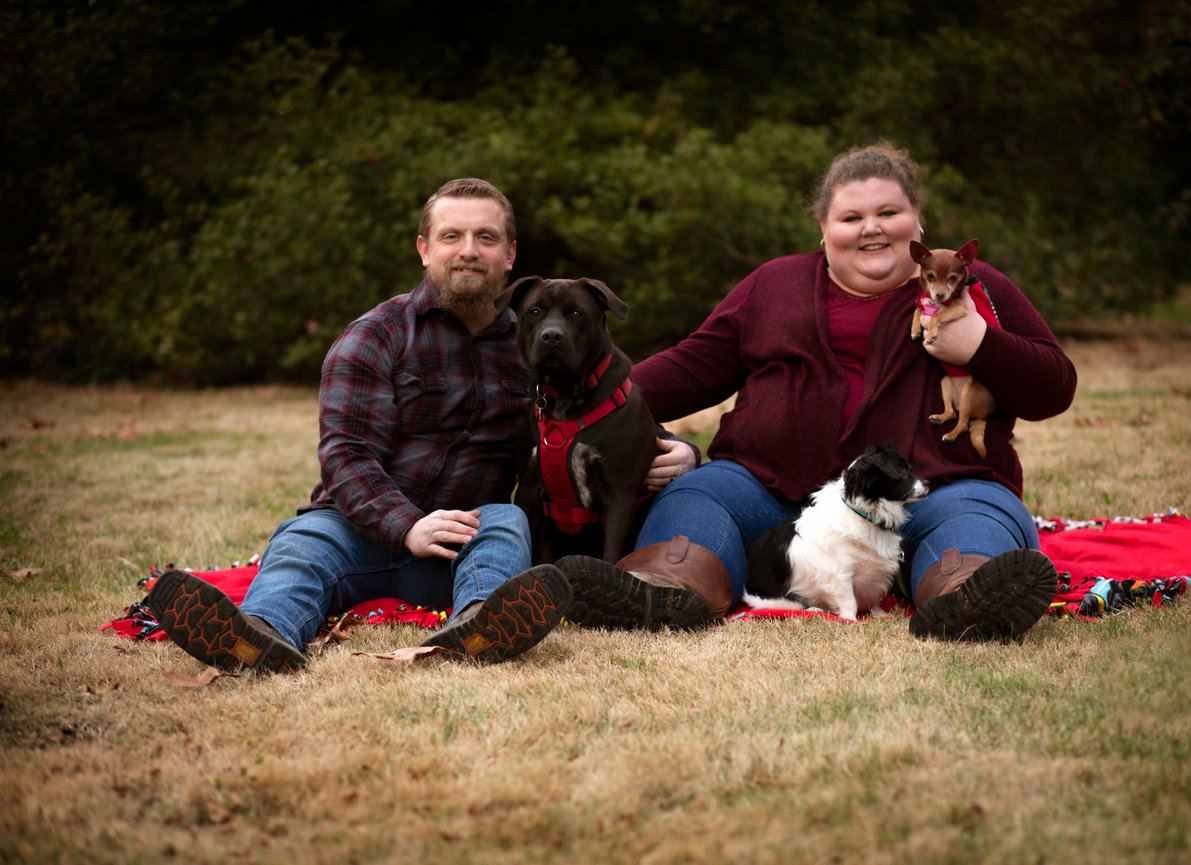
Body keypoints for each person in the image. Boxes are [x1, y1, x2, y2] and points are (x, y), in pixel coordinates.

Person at [557, 141, 1078, 641]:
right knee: (699, 494)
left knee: (973, 523)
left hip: (936, 492)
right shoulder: (773, 285)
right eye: (851, 218)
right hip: (771, 494)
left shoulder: (975, 286)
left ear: (917, 221)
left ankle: (968, 598)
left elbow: (1055, 388)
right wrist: (627, 422)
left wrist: (983, 345)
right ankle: (663, 589)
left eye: (889, 212)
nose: (871, 228)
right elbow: (686, 370)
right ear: (824, 229)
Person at [147, 178, 580, 671]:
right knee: (303, 541)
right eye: (451, 236)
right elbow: (346, 454)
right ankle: (260, 635)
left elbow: (592, 416)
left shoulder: (534, 347)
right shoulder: (377, 333)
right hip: (356, 533)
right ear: (424, 249)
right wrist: (408, 525)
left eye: (486, 237)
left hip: (460, 540)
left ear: (510, 254)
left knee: (507, 521)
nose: (468, 251)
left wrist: (653, 455)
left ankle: (480, 624)